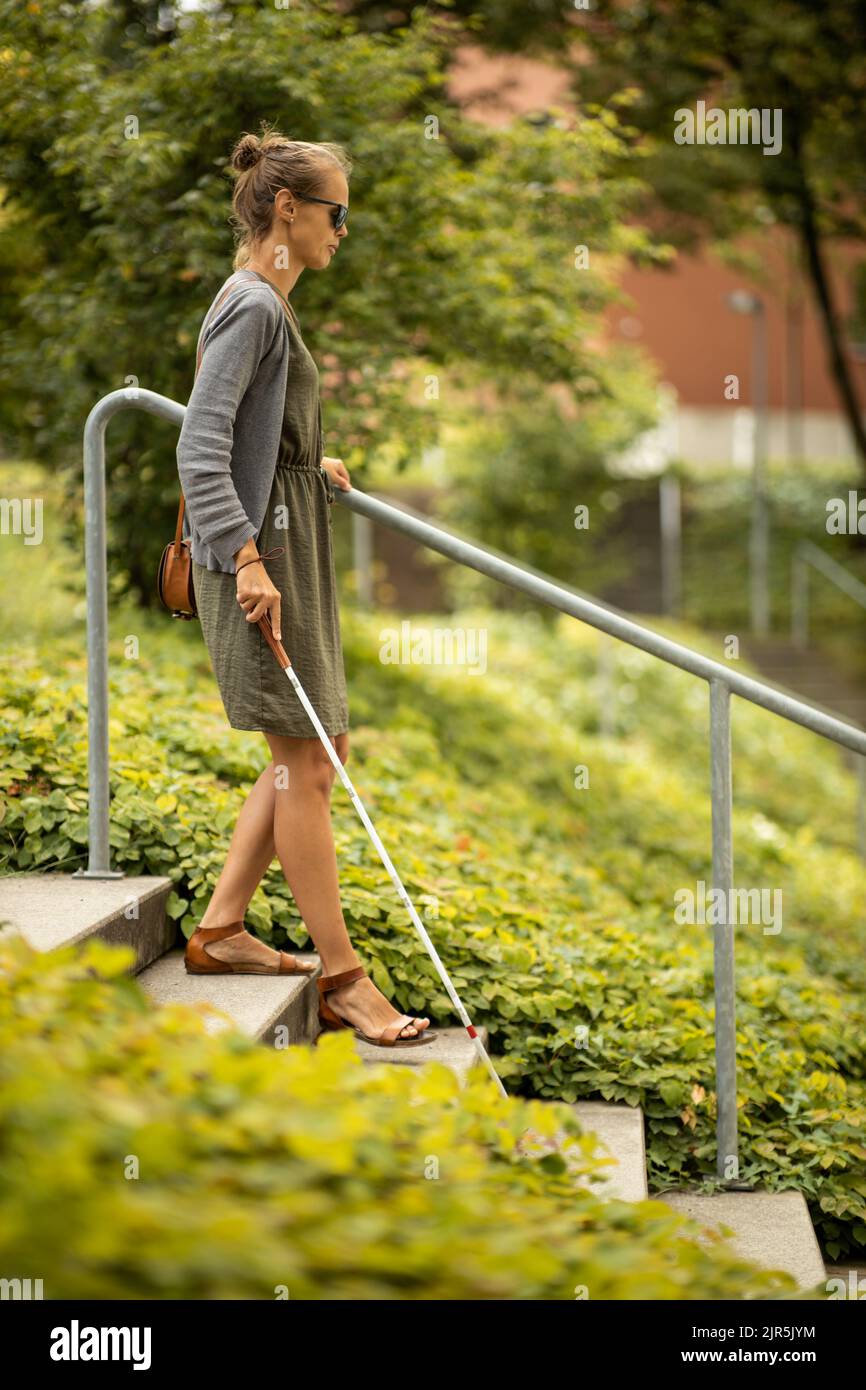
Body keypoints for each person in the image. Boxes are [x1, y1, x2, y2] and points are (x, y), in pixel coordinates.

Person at [177, 124, 433, 1047]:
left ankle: (219, 930)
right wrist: (246, 559)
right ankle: (344, 980)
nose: (342, 231)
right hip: (261, 565)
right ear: (288, 209)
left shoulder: (265, 305)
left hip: (286, 544)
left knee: (313, 757)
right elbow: (198, 448)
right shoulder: (252, 304)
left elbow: (245, 432)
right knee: (311, 765)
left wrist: (304, 465)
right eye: (336, 213)